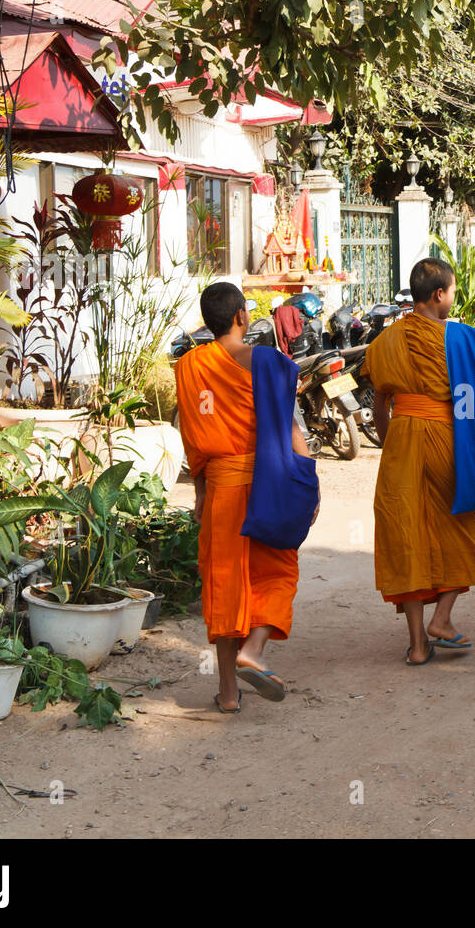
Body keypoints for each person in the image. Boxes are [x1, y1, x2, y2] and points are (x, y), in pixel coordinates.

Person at [174, 281, 317, 713]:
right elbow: (290, 428)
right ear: (241, 317)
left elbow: (193, 438)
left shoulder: (189, 367)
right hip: (269, 482)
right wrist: (307, 484)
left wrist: (201, 492)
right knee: (277, 569)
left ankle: (229, 693)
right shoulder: (268, 361)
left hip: (220, 488)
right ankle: (254, 648)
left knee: (225, 585)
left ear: (207, 321)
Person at [362, 258, 475, 665]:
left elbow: (380, 406)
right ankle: (441, 619)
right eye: (453, 290)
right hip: (448, 441)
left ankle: (417, 645)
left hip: (403, 440)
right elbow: (473, 401)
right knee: (459, 526)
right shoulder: (460, 339)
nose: (453, 297)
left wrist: (393, 450)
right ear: (439, 294)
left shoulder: (385, 341)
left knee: (406, 535)